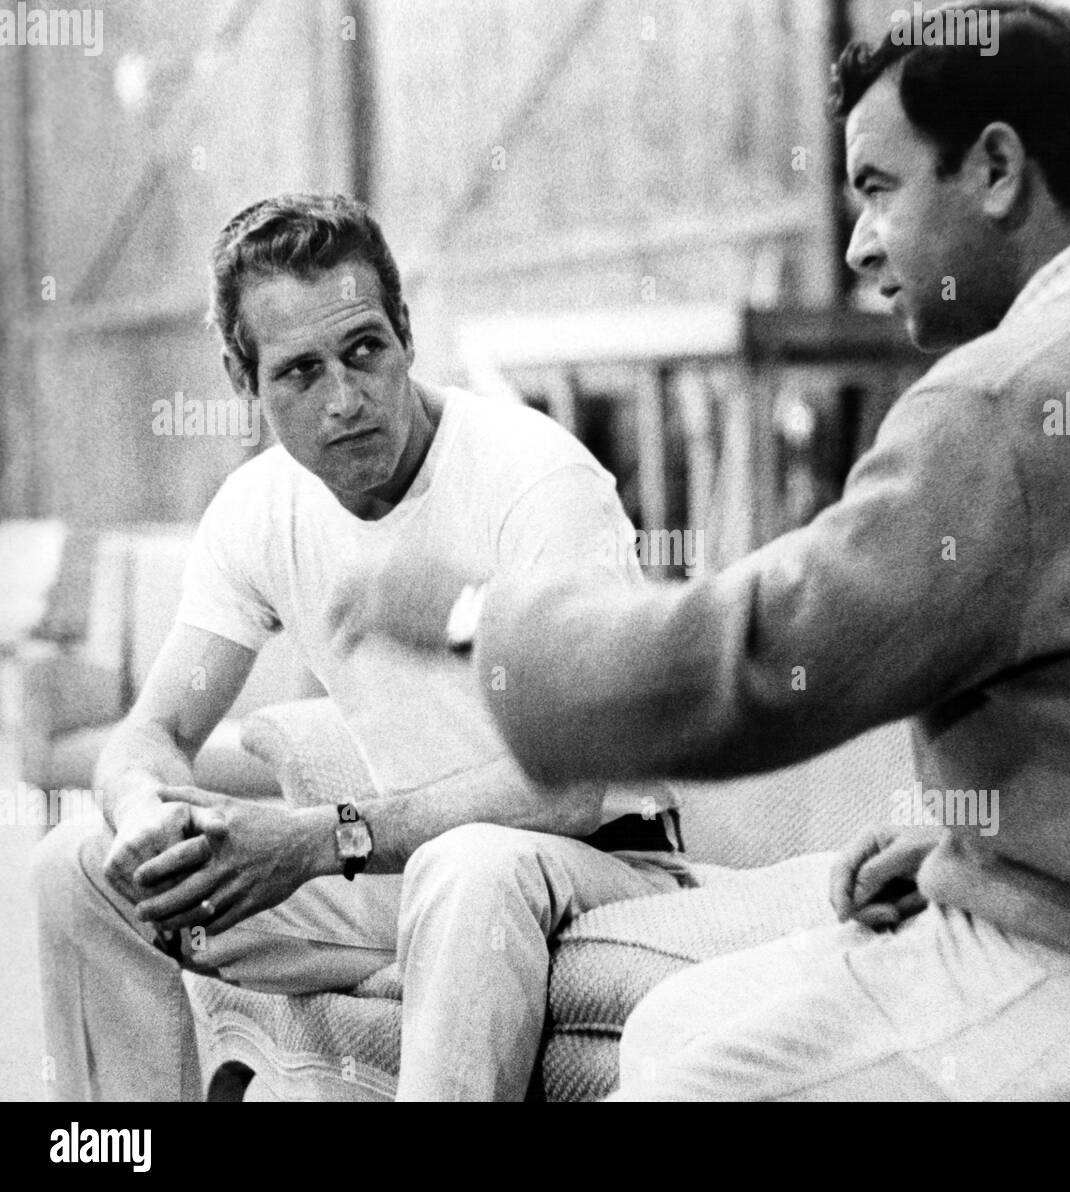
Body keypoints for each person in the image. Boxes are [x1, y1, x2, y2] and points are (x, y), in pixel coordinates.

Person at [461, 1, 1070, 1099]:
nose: (857, 245)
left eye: (875, 188)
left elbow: (757, 668)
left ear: (995, 168)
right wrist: (972, 849)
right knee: (670, 1023)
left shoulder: (1003, 399)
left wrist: (485, 619)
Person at [32, 192, 691, 1103]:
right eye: (300, 372)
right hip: (405, 876)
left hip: (597, 863)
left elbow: (572, 787)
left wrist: (320, 837)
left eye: (364, 350)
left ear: (407, 334)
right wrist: (144, 808)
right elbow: (152, 731)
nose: (346, 401)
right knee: (75, 867)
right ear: (242, 378)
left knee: (472, 865)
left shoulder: (534, 476)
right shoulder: (260, 511)